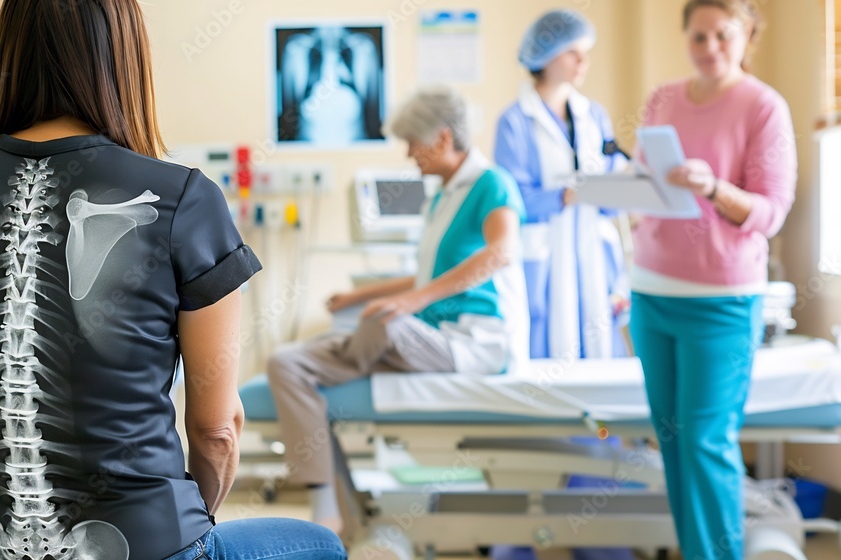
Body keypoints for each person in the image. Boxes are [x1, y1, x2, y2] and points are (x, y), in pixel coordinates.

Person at [0, 2, 345, 559]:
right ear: (123, 56)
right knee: (318, 544)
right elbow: (218, 431)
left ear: (6, 55)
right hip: (142, 540)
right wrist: (183, 530)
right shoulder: (184, 200)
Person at [267, 84, 529, 534]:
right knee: (285, 363)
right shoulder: (443, 195)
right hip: (424, 337)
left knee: (380, 322)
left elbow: (501, 252)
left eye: (413, 143)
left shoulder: (491, 183)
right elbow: (426, 273)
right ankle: (326, 504)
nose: (410, 155)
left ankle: (348, 357)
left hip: (471, 341)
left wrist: (410, 302)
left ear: (443, 139)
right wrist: (360, 296)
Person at [630, 1, 795, 558]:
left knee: (705, 443)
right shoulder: (663, 98)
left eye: (722, 36)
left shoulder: (763, 106)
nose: (710, 49)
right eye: (698, 37)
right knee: (673, 447)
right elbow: (642, 180)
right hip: (652, 290)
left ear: (747, 33)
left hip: (721, 301)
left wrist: (713, 188)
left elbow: (771, 211)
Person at [494, 9, 629, 361]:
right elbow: (513, 201)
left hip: (594, 249)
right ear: (545, 55)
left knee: (600, 339)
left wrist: (628, 185)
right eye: (573, 52)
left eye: (586, 51)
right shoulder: (514, 122)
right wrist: (567, 195)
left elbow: (613, 185)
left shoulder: (593, 115)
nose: (584, 61)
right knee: (546, 339)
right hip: (544, 252)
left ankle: (601, 418)